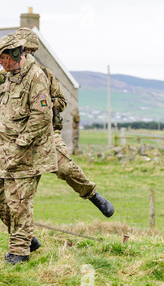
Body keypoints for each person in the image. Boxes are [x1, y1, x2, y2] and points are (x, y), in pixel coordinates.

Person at [12, 27, 114, 216]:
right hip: (19, 138)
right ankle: (26, 234)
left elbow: (62, 100)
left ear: (32, 51)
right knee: (18, 191)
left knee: (66, 168)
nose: (24, 53)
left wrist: (49, 104)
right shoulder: (7, 77)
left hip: (47, 134)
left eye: (27, 50)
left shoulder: (44, 75)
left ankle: (92, 194)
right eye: (20, 49)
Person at [0, 34, 58, 265]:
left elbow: (42, 115)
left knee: (19, 202)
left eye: (3, 57)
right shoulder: (4, 77)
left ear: (17, 55)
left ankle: (19, 252)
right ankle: (28, 238)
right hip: (3, 151)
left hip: (27, 152)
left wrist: (21, 143)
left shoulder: (36, 77)